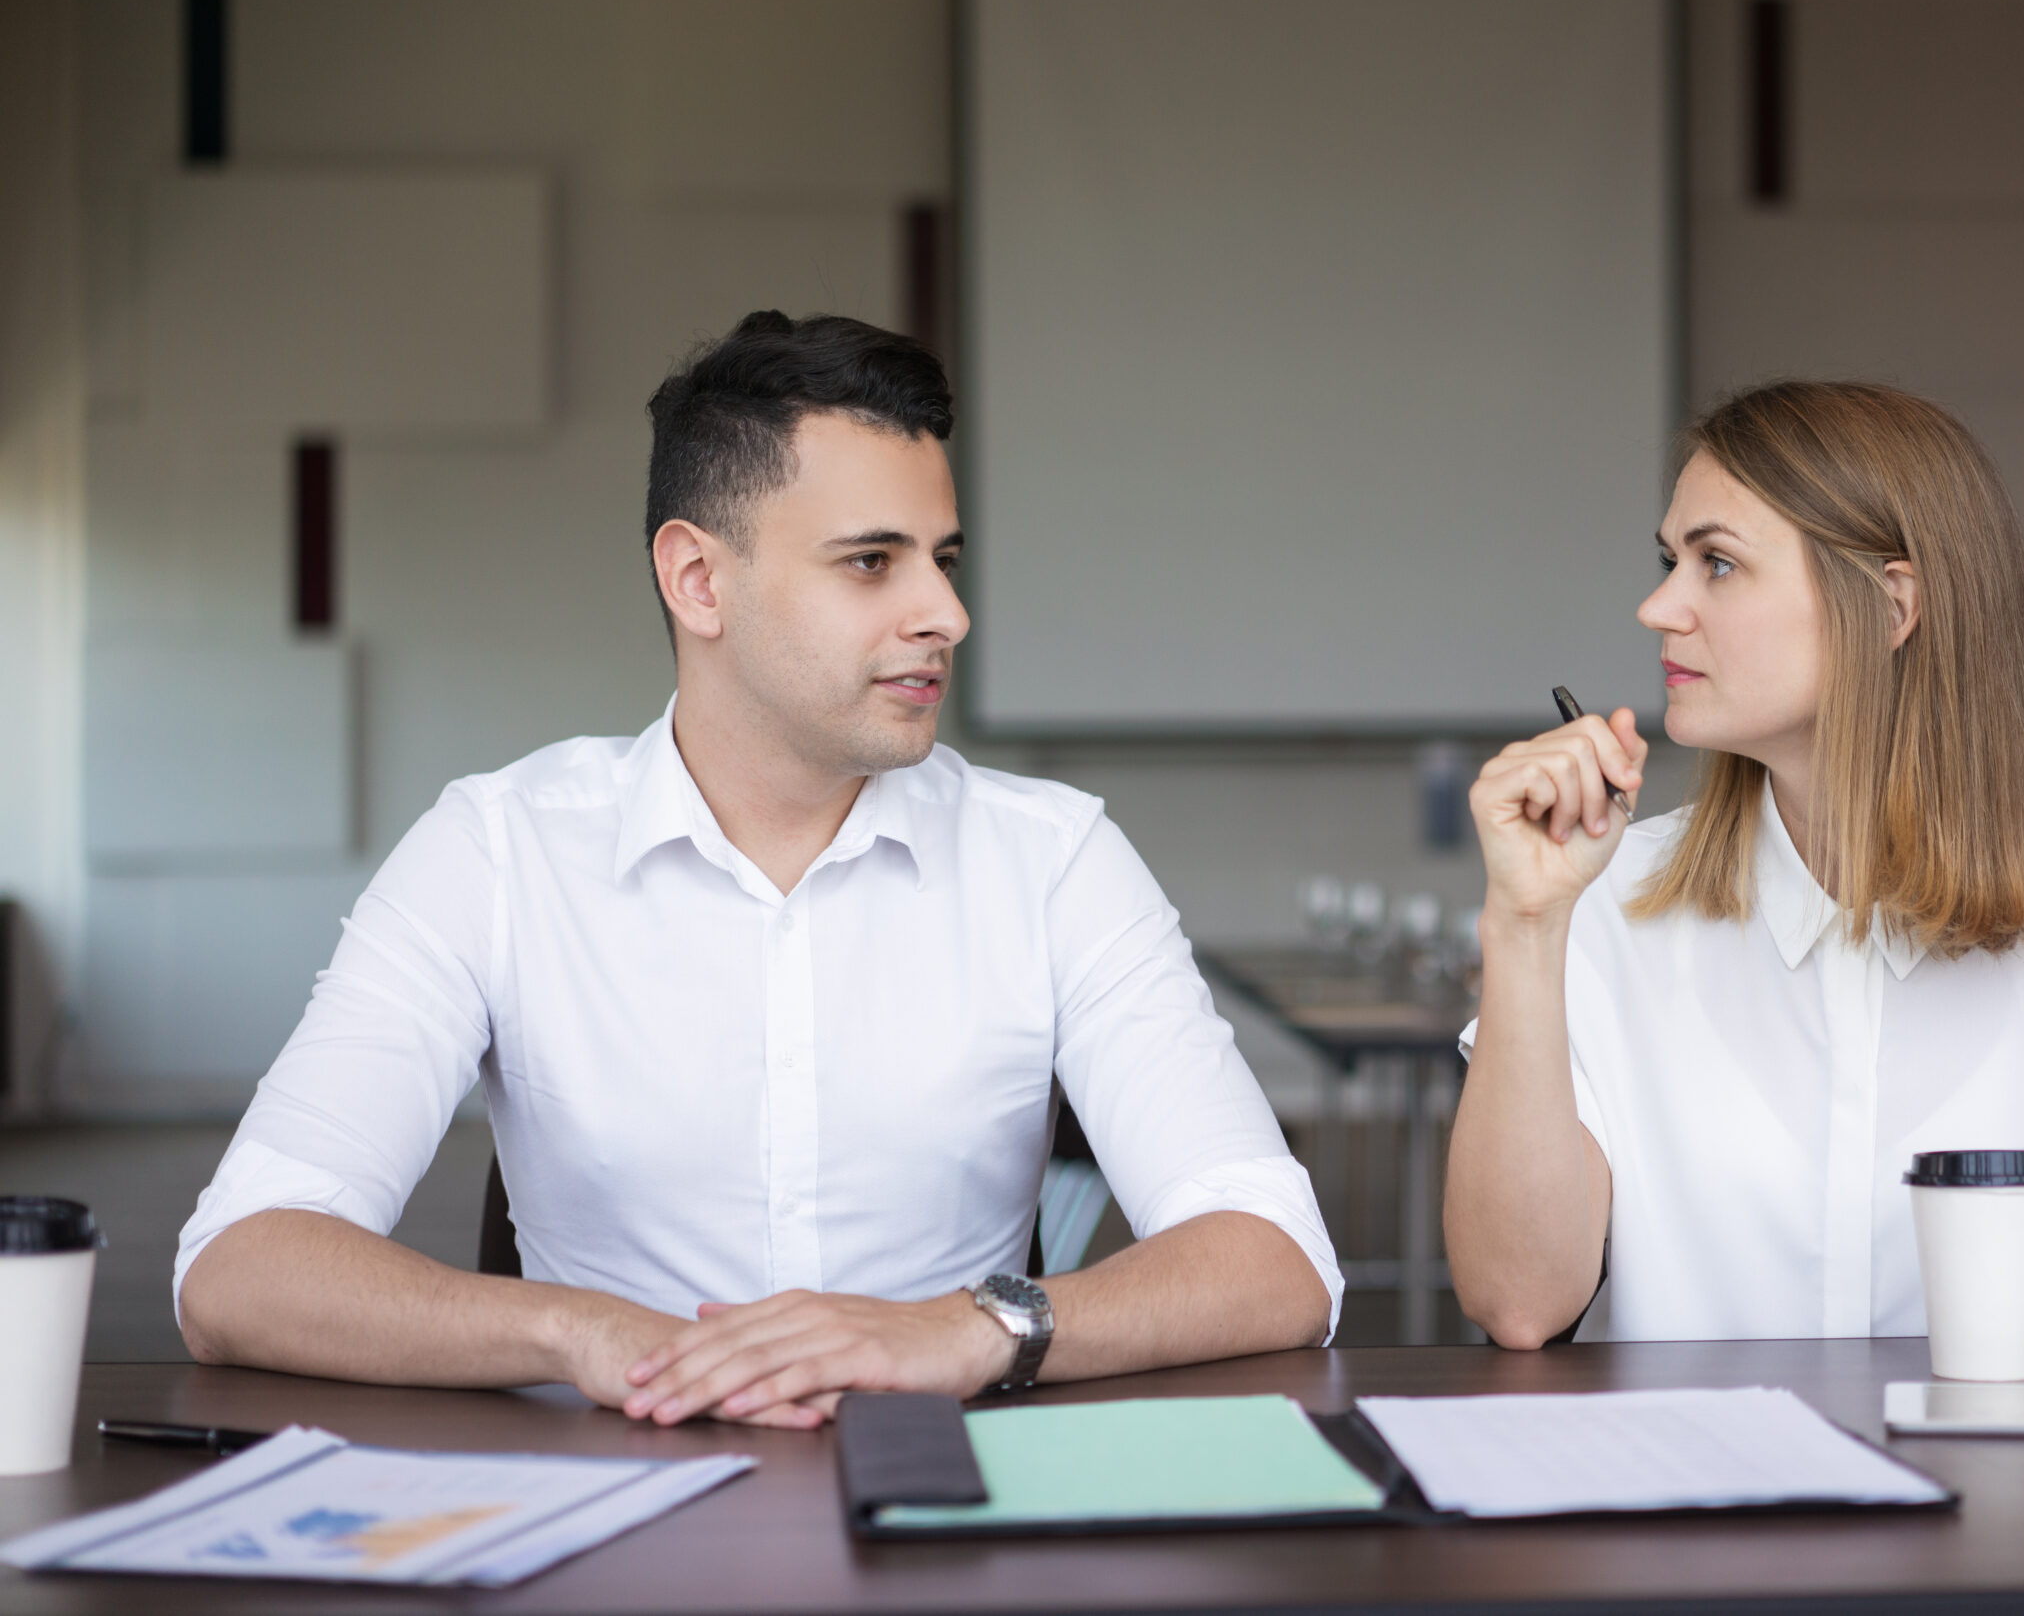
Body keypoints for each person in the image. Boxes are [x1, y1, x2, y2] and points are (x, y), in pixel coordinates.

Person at [176, 311, 1339, 1426]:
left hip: (948, 1508)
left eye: (941, 557)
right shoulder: (497, 847)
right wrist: (583, 1333)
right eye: (871, 561)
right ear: (697, 580)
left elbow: (1275, 1255)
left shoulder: (1054, 856)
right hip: (601, 1506)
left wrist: (968, 1328)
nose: (947, 611)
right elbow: (240, 1263)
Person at [1444, 380, 2024, 1349]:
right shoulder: (1603, 904)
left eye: (1718, 564)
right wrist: (1524, 925)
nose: (1658, 605)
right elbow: (1519, 1305)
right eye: (1671, 560)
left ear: (1890, 603)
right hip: (1682, 1493)